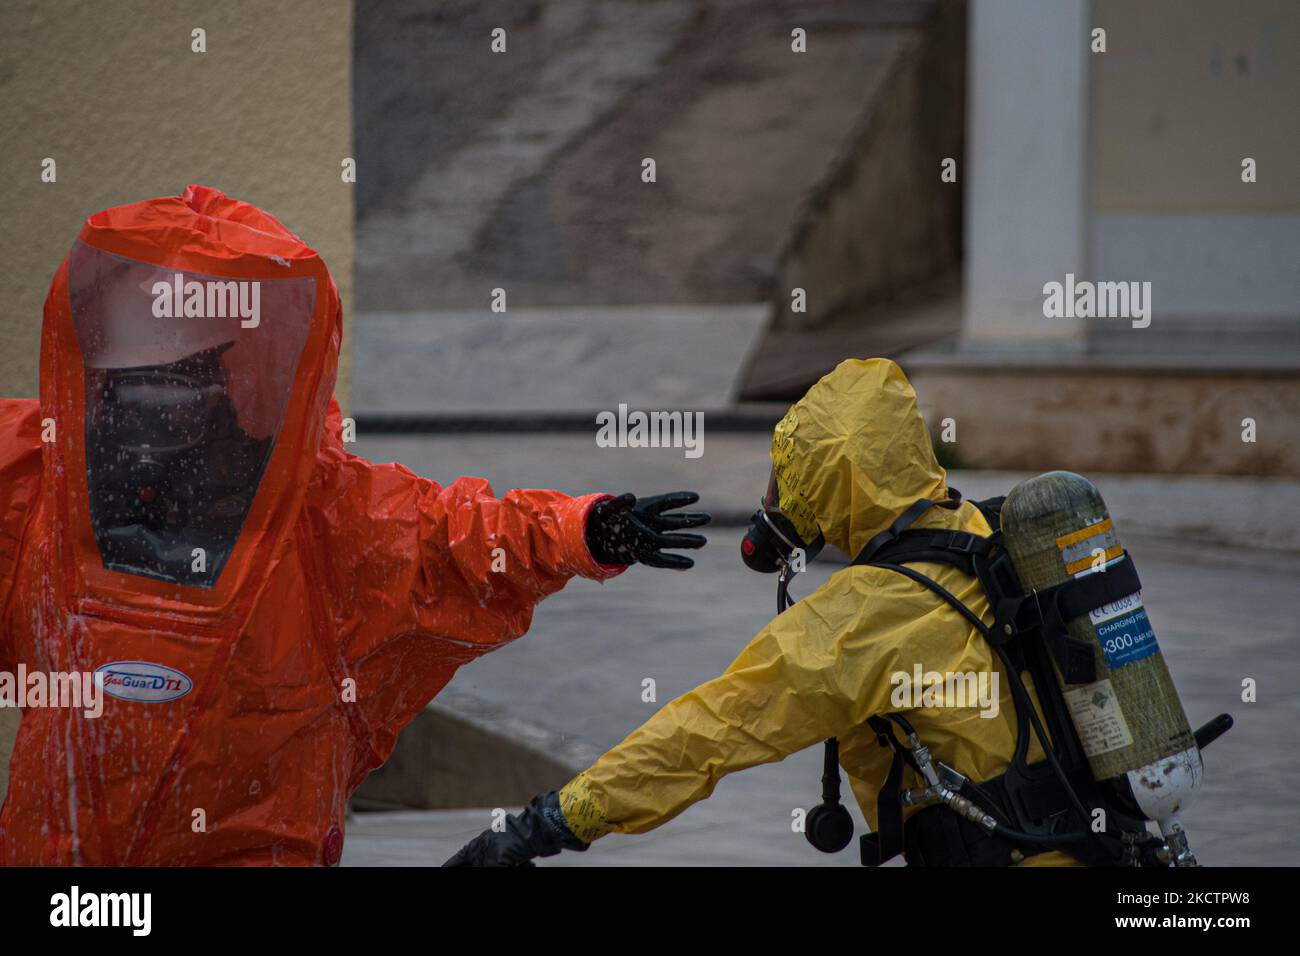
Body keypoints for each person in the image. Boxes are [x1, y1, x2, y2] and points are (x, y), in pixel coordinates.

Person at [0, 185, 708, 865]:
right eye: (135, 380)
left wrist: (581, 529)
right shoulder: (42, 481)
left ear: (227, 372)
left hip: (248, 842)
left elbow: (448, 538)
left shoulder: (317, 510)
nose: (152, 405)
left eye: (178, 377)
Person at [446, 357, 1091, 867]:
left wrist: (544, 825)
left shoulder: (861, 619)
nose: (776, 500)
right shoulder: (993, 532)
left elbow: (705, 733)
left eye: (789, 478)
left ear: (830, 482)